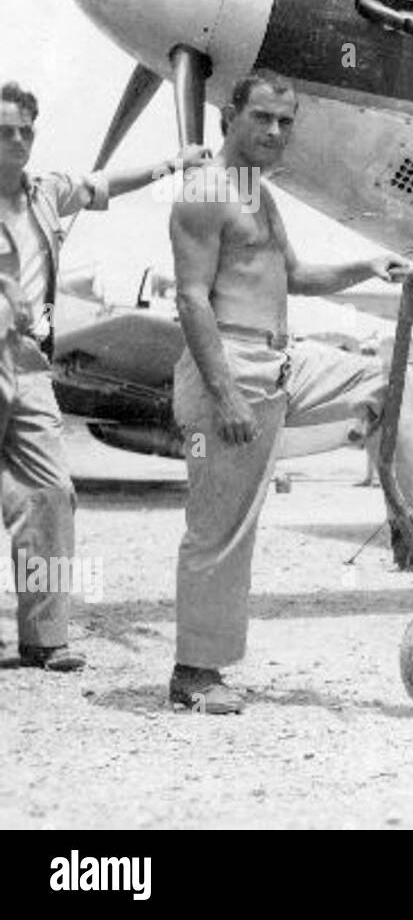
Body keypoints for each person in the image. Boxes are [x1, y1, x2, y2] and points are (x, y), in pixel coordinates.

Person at [167, 69, 413, 715]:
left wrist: (367, 266)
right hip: (228, 366)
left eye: (286, 121)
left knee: (392, 378)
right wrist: (225, 394)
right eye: (263, 118)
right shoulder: (205, 192)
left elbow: (300, 275)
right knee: (222, 529)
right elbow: (191, 297)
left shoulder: (259, 193)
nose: (276, 132)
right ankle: (195, 674)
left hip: (281, 361)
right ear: (230, 116)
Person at [0, 79, 206, 672]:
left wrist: (174, 162)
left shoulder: (46, 193)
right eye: (2, 130)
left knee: (53, 494)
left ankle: (45, 636)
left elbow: (106, 183)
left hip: (32, 366)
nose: (14, 140)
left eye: (23, 130)